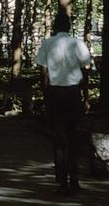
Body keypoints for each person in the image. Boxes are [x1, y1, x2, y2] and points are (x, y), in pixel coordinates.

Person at [35, 11, 92, 195]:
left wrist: (45, 95)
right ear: (68, 26)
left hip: (54, 92)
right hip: (73, 92)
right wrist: (87, 97)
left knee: (58, 138)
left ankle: (62, 180)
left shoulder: (47, 43)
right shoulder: (77, 43)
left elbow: (43, 73)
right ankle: (74, 179)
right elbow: (86, 71)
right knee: (74, 136)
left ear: (55, 27)